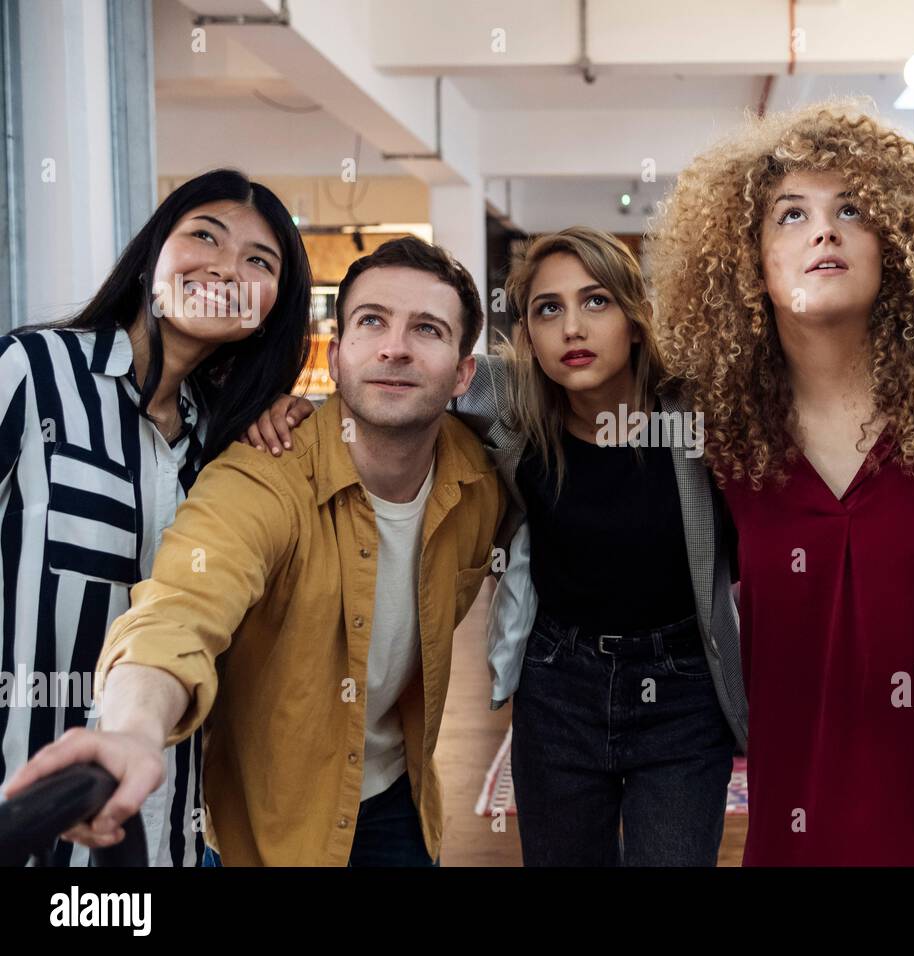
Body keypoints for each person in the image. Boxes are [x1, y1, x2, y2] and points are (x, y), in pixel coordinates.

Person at [4, 237, 505, 866]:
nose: (395, 346)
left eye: (427, 329)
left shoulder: (481, 479)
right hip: (268, 835)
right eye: (371, 321)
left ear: (463, 372)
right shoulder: (264, 475)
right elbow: (178, 612)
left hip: (401, 807)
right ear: (339, 351)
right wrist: (132, 730)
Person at [256, 227, 746, 866]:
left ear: (633, 317)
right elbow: (405, 377)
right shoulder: (515, 403)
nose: (572, 328)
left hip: (679, 690)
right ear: (529, 338)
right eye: (548, 309)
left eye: (596, 301)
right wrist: (288, 405)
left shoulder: (696, 415)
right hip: (558, 687)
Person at [651, 101, 914, 865]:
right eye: (789, 215)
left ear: (895, 243)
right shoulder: (719, 433)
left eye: (852, 210)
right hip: (801, 809)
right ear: (749, 262)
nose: (823, 231)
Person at [0, 168, 311, 865]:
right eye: (205, 234)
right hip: (24, 809)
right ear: (153, 253)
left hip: (166, 826)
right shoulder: (32, 372)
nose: (227, 267)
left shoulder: (228, 447)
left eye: (259, 262)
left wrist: (298, 418)